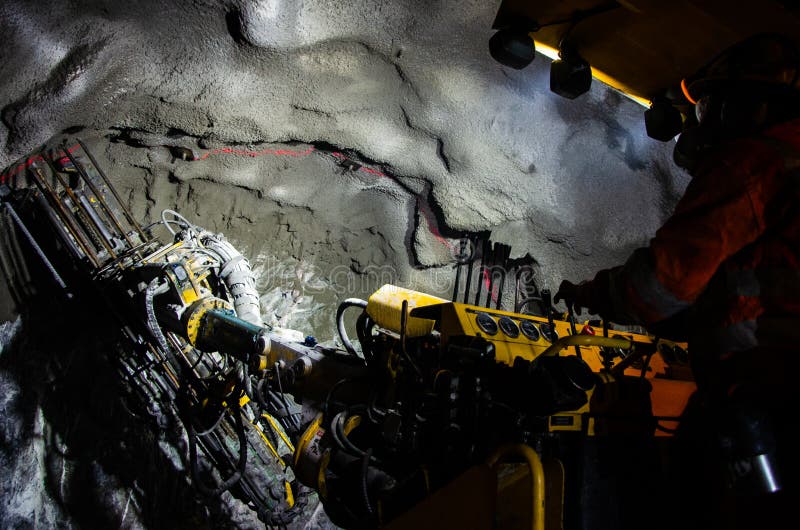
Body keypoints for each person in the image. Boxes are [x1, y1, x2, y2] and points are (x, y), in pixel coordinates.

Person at [554, 32, 800, 529]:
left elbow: (656, 289)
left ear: (749, 106)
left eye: (714, 105)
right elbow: (752, 293)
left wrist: (591, 293)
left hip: (770, 400)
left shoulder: (754, 162)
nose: (704, 122)